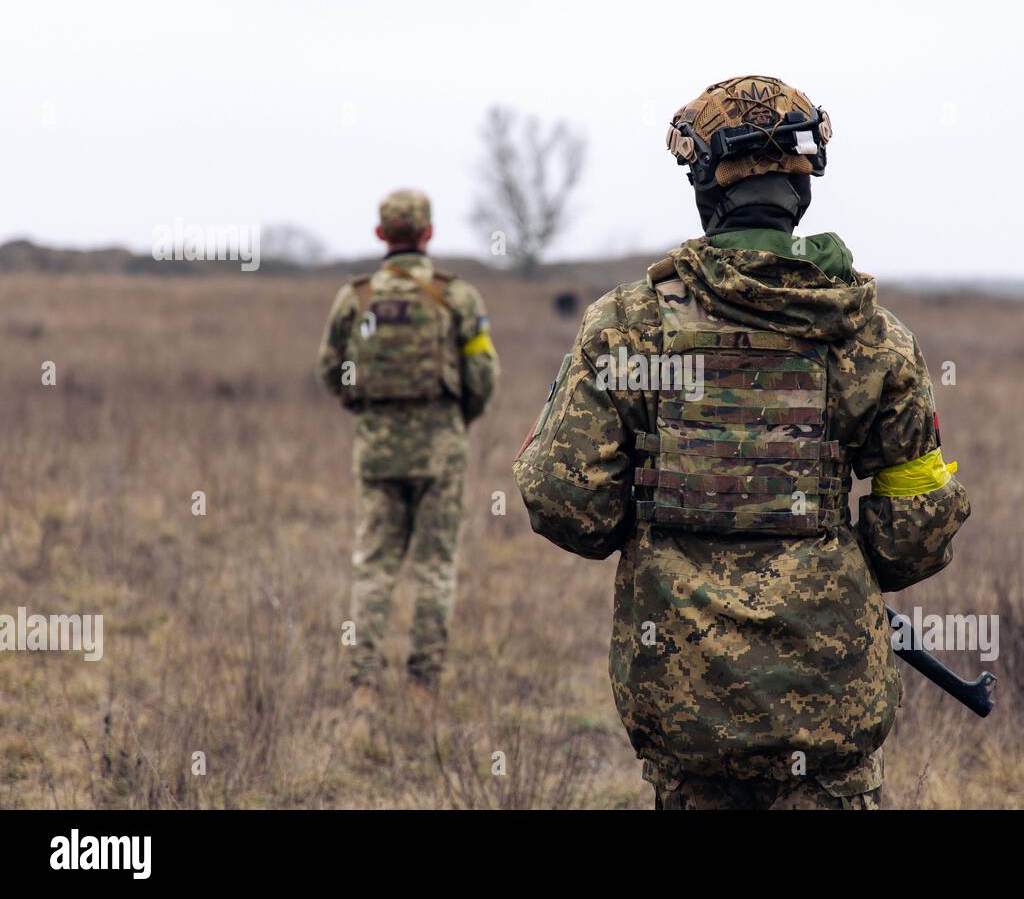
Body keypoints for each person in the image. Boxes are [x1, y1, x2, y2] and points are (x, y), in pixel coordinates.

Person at [513, 77, 970, 808]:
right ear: (802, 188)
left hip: (685, 717)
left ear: (703, 187)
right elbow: (910, 541)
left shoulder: (626, 325)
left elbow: (572, 509)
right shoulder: (876, 336)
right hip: (829, 715)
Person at [317, 188, 497, 710]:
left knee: (373, 567)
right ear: (428, 233)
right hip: (441, 452)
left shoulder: (355, 296)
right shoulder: (457, 296)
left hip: (376, 452)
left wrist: (366, 410)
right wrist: (457, 418)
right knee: (435, 569)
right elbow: (483, 374)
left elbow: (330, 370)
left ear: (380, 235)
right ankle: (423, 686)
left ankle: (365, 687)